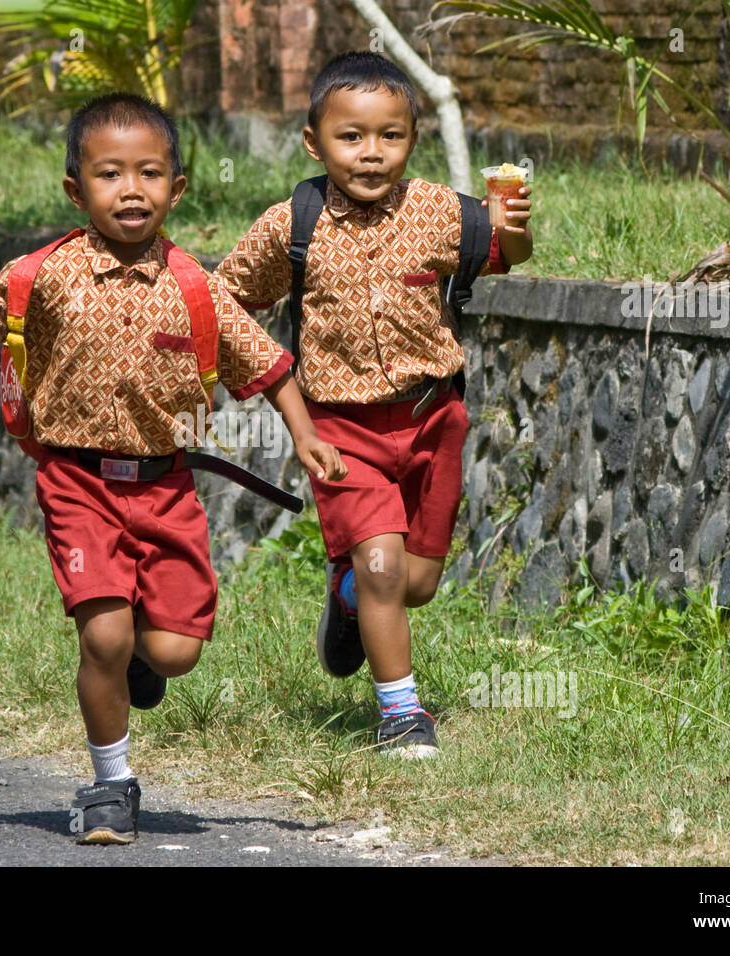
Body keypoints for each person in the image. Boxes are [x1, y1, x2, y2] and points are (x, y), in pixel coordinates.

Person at [0, 93, 346, 843]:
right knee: (105, 640)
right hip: (77, 481)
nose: (130, 190)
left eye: (149, 174)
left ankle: (138, 668)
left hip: (165, 487)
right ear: (75, 189)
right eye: (110, 174)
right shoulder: (43, 276)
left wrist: (306, 437)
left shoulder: (199, 289)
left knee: (173, 653)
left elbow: (270, 367)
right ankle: (110, 785)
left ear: (177, 189)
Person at [215, 52, 533, 757]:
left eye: (390, 136)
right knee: (385, 564)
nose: (371, 153)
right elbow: (225, 298)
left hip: (433, 421)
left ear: (411, 140)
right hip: (340, 430)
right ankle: (401, 714)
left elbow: (506, 256)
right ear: (313, 141)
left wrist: (510, 222)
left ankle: (349, 594)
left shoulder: (442, 212)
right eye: (350, 137)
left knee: (413, 582)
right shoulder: (290, 225)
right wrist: (271, 381)